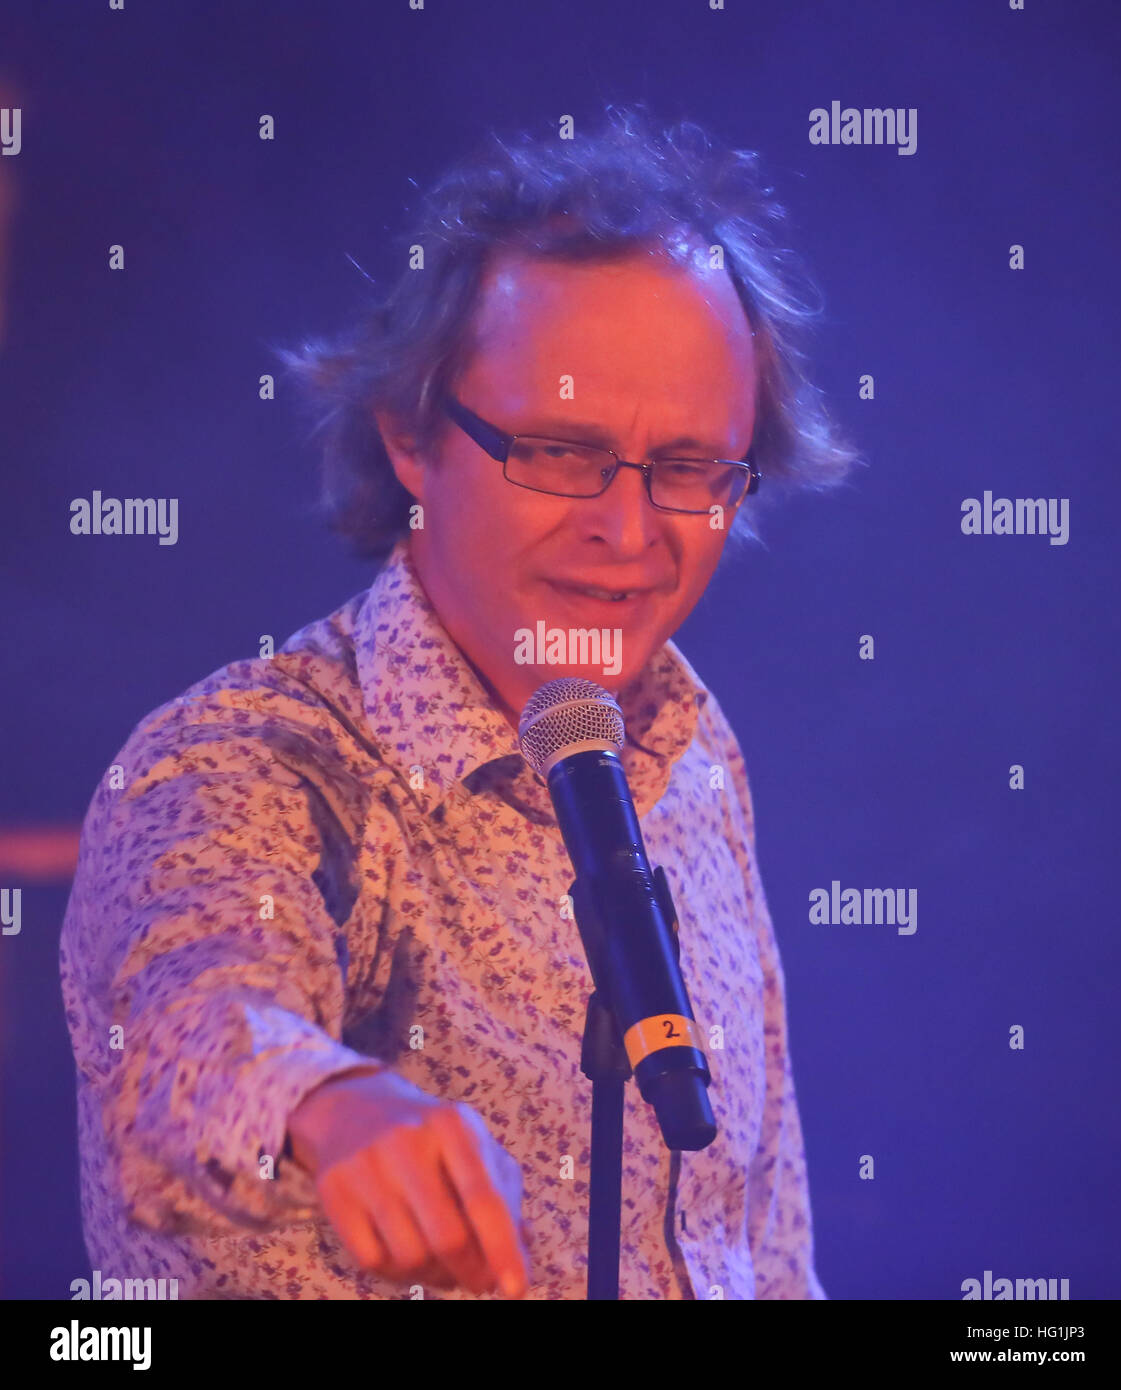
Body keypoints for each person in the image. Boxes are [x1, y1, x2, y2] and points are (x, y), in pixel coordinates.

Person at [60, 104, 860, 1300]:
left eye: (688, 469)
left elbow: (751, 1241)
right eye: (560, 452)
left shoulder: (693, 752)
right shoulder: (242, 759)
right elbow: (187, 1019)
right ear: (409, 436)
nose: (629, 531)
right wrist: (330, 1099)